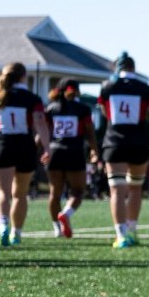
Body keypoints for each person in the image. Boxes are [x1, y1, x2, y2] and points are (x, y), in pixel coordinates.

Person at [98, 53, 149, 248]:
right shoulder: (144, 88)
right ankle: (132, 230)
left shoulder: (107, 87)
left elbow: (105, 113)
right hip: (139, 142)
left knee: (117, 190)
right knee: (136, 188)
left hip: (114, 143)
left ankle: (121, 235)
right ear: (134, 67)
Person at [0, 62, 50, 247]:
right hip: (25, 146)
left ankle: (2, 225)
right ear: (23, 76)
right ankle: (16, 233)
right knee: (20, 194)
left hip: (3, 144)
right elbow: (40, 123)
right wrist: (47, 147)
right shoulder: (32, 98)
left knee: (1, 193)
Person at [43, 79, 98, 237]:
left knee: (54, 193)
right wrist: (95, 151)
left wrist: (42, 149)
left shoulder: (50, 109)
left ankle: (56, 228)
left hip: (54, 153)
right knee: (78, 192)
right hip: (74, 152)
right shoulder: (83, 109)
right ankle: (65, 215)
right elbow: (89, 132)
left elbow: (43, 134)